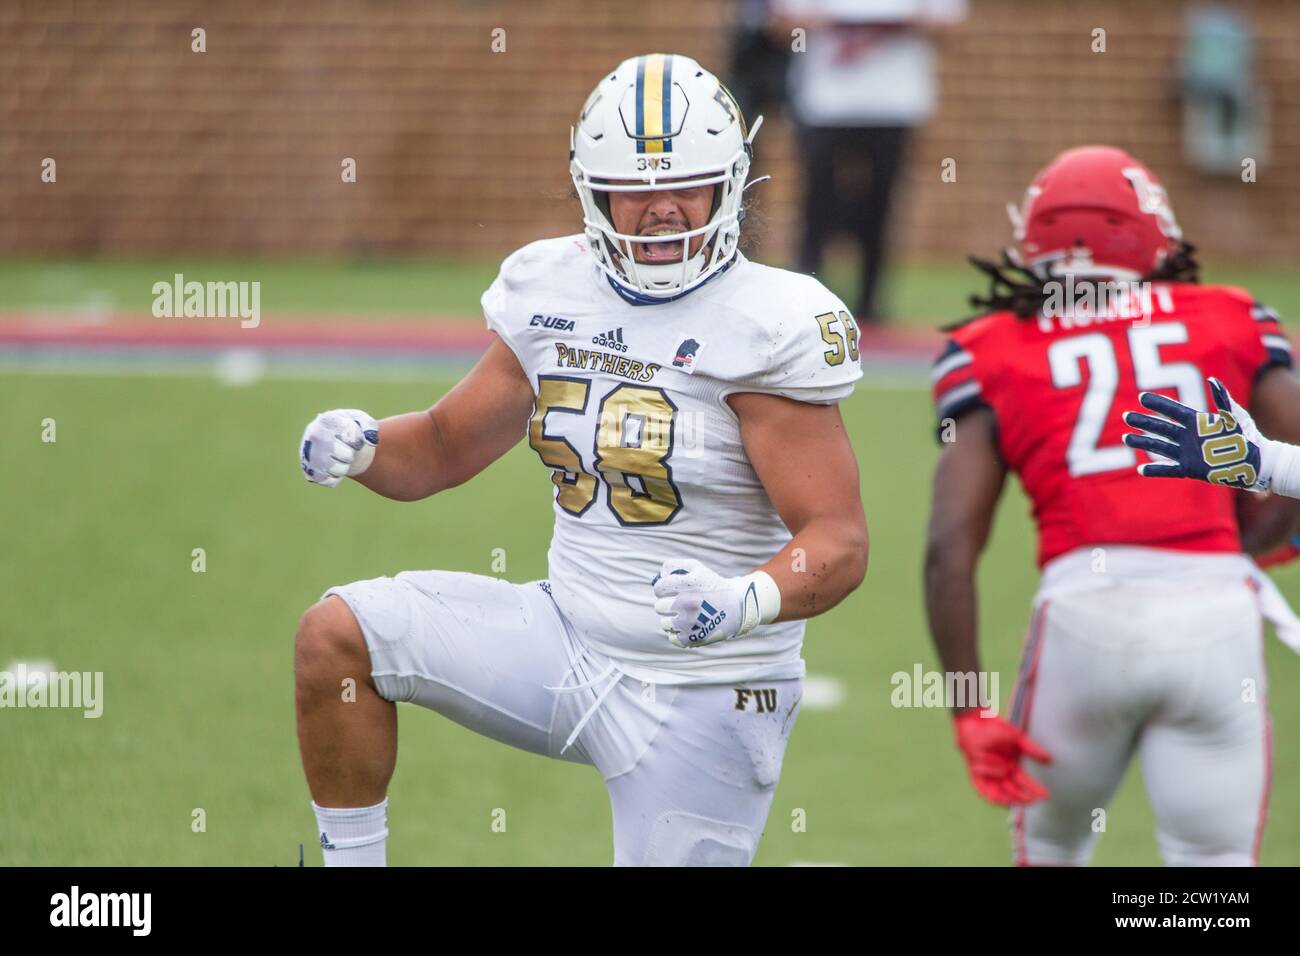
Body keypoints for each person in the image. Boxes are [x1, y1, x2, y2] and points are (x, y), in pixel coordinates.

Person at [292, 53, 869, 867]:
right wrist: (365, 445)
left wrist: (745, 599)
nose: (665, 211)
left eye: (689, 186)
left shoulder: (769, 323)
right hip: (566, 636)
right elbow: (445, 446)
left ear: (733, 184)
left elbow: (839, 540)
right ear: (592, 194)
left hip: (708, 688)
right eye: (635, 190)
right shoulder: (550, 287)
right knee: (336, 639)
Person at [924, 144, 1300, 865]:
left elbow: (949, 548)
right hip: (1215, 615)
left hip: (1083, 622)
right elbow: (1291, 442)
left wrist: (969, 706)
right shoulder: (1228, 315)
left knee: (1054, 850)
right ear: (1150, 231)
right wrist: (1256, 540)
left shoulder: (993, 345)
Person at [773, 0, 966, 322]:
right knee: (817, 205)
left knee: (880, 206)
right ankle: (806, 301)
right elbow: (781, 24)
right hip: (826, 103)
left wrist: (893, 25)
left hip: (893, 104)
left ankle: (870, 305)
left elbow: (949, 24)